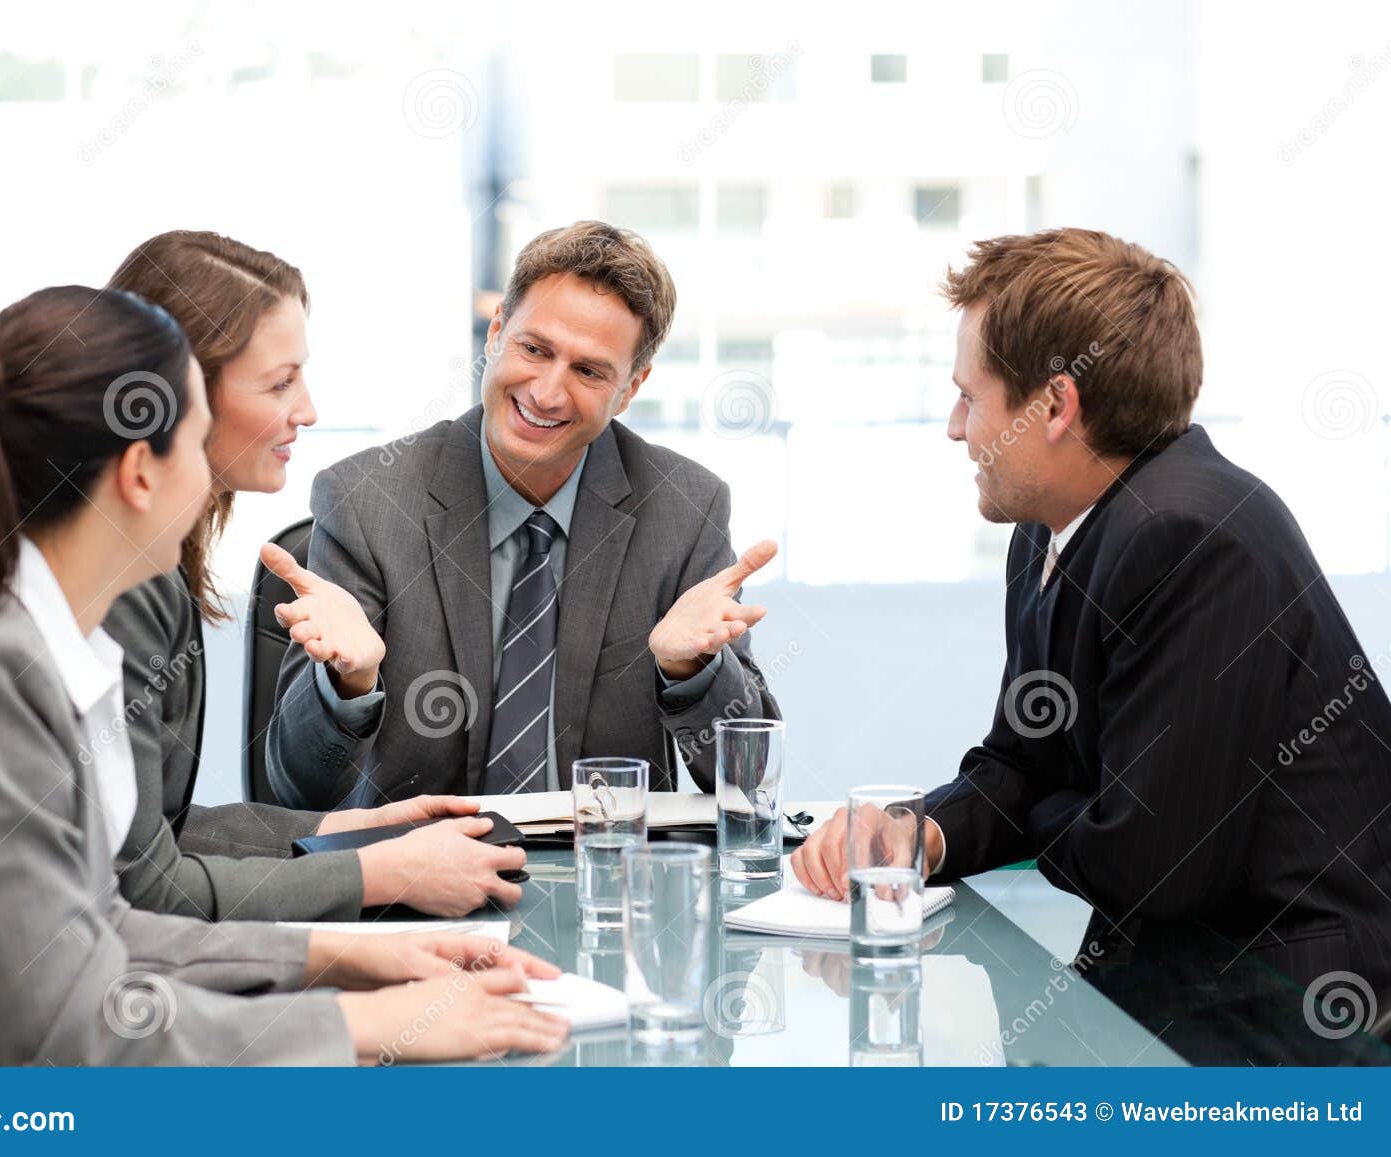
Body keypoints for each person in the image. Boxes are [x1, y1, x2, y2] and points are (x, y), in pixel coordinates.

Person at [0, 286, 567, 1064]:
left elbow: (103, 928)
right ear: (139, 473)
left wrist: (360, 958)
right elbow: (78, 1027)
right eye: (197, 445)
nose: (210, 481)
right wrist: (370, 1024)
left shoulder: (44, 643)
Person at [792, 227, 1391, 995]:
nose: (954, 427)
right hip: (1172, 972)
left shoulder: (1191, 536)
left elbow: (1150, 866)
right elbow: (1022, 757)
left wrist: (1041, 805)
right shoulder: (1051, 527)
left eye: (969, 397)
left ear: (1054, 406)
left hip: (1287, 1000)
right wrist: (920, 832)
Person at [265, 220, 781, 809]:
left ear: (631, 388)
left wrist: (692, 673)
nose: (547, 393)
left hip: (605, 876)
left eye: (589, 371)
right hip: (421, 881)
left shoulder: (683, 507)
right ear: (496, 333)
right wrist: (347, 684)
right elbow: (299, 788)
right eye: (534, 349)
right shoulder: (366, 502)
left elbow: (752, 784)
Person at [103, 231, 526, 920]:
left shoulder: (151, 557)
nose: (308, 409)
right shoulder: (119, 580)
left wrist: (338, 833)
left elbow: (151, 833)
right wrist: (378, 874)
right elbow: (140, 888)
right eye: (279, 382)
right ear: (182, 395)